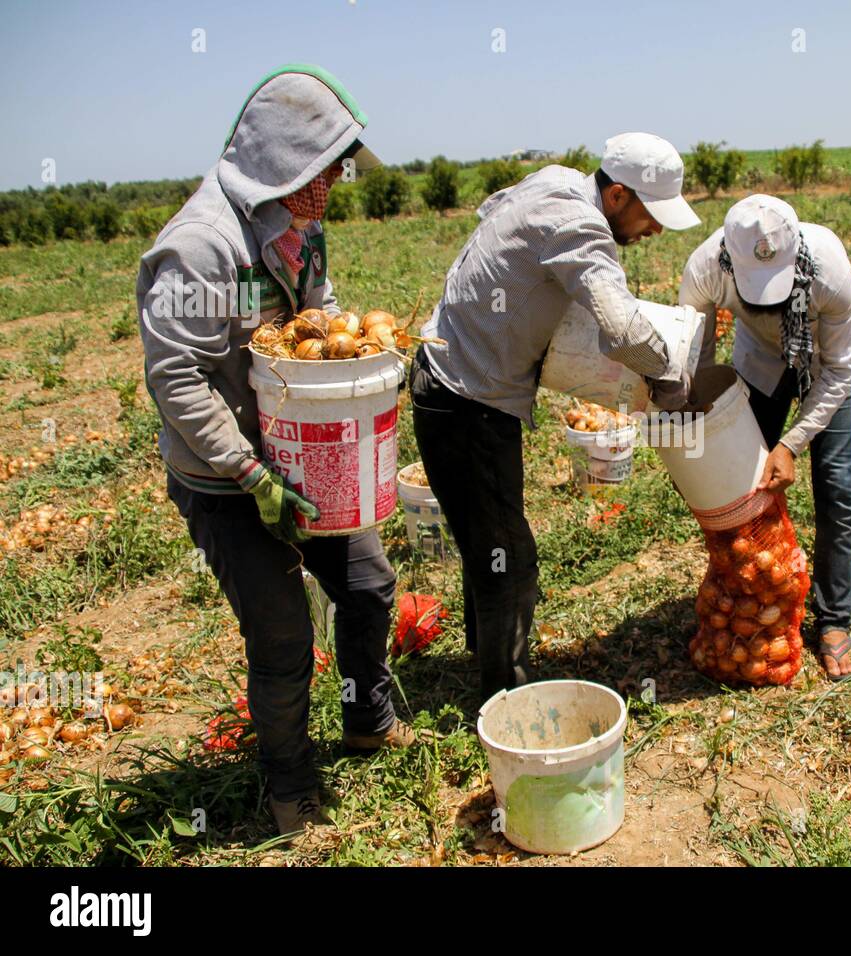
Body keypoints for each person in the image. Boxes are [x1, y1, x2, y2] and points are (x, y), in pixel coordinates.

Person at [137, 65, 411, 839]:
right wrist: (251, 473)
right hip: (226, 476)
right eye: (320, 169)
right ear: (282, 163)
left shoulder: (295, 225)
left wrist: (352, 357)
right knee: (285, 631)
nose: (332, 185)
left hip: (300, 454)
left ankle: (368, 719)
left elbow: (313, 313)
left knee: (365, 584)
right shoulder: (201, 247)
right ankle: (290, 782)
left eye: (335, 169)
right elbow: (176, 376)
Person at [410, 132, 700, 701]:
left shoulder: (556, 181)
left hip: (452, 379)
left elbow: (492, 209)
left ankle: (483, 653)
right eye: (651, 214)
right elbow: (619, 328)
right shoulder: (584, 224)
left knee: (487, 537)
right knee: (509, 561)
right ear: (616, 196)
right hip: (467, 398)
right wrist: (667, 375)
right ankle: (507, 703)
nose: (656, 230)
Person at [679, 195, 851, 680]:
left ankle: (833, 619)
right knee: (743, 486)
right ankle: (747, 598)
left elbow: (842, 369)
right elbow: (694, 355)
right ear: (730, 259)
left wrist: (791, 443)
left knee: (838, 489)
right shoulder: (705, 267)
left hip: (827, 369)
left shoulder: (829, 269)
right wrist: (694, 439)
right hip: (760, 364)